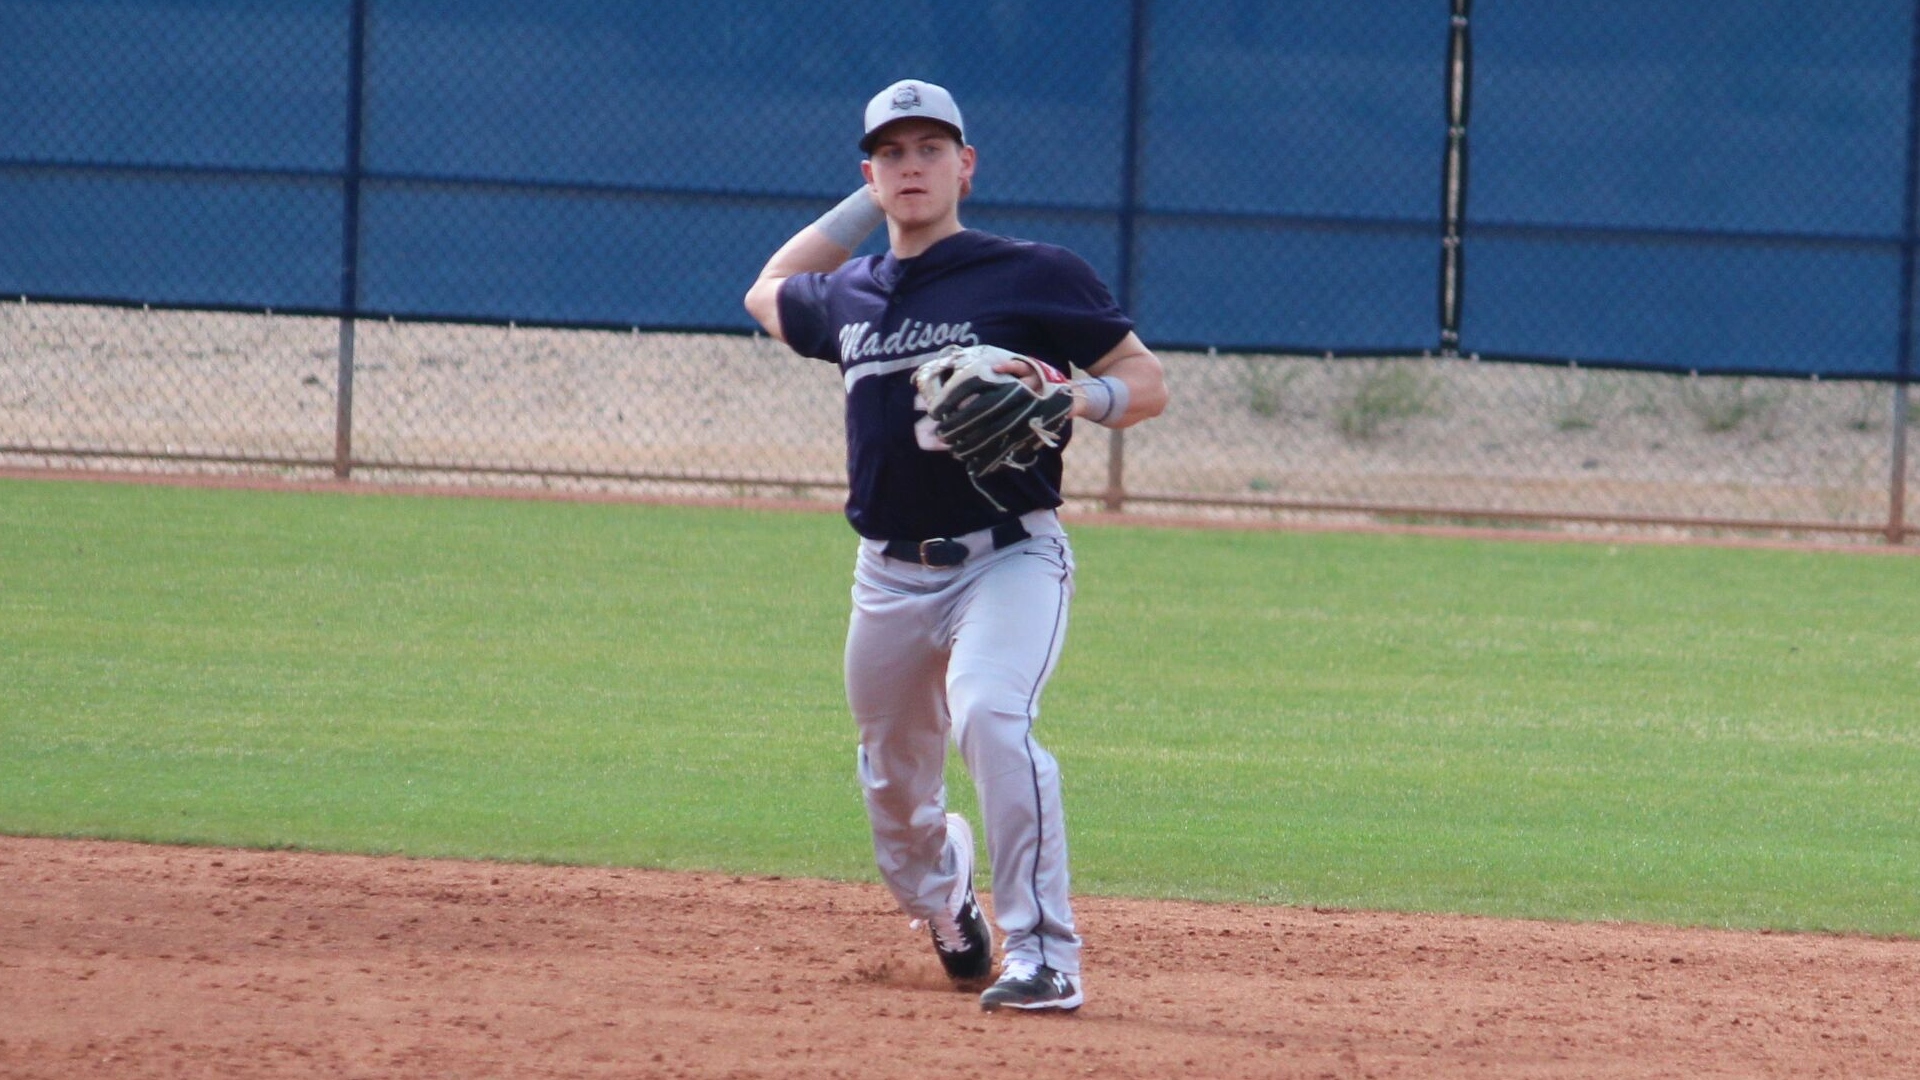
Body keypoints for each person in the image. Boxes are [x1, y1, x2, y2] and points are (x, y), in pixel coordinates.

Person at [743, 78, 1167, 1013]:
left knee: (989, 714)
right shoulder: (851, 291)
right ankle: (947, 902)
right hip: (888, 577)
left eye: (931, 149)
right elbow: (765, 291)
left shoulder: (1032, 273)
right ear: (869, 173)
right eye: (892, 153)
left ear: (966, 166)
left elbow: (1146, 381)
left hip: (1009, 556)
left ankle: (1044, 954)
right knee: (894, 793)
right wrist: (867, 204)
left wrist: (1074, 395)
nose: (912, 166)